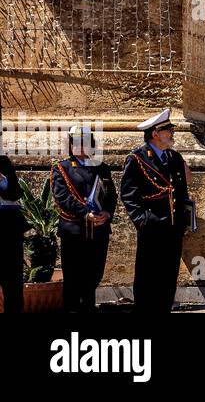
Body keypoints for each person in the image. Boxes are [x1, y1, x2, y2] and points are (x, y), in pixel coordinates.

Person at [120, 109, 193, 313]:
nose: (172, 133)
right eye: (167, 130)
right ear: (155, 133)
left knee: (169, 275)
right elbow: (128, 194)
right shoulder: (137, 159)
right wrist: (142, 220)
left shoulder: (175, 158)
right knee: (147, 275)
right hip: (151, 226)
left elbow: (182, 192)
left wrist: (184, 220)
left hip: (173, 226)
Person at [50, 125, 117, 313]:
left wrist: (107, 213)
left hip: (99, 229)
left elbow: (111, 196)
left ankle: (87, 308)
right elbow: (62, 197)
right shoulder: (62, 168)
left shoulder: (101, 167)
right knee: (74, 275)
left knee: (94, 274)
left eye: (84, 142)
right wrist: (84, 213)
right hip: (75, 228)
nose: (80, 146)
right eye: (76, 142)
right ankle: (73, 310)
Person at [0, 153, 25, 314]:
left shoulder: (3, 162)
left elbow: (16, 193)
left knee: (13, 285)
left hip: (9, 228)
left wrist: (3, 182)